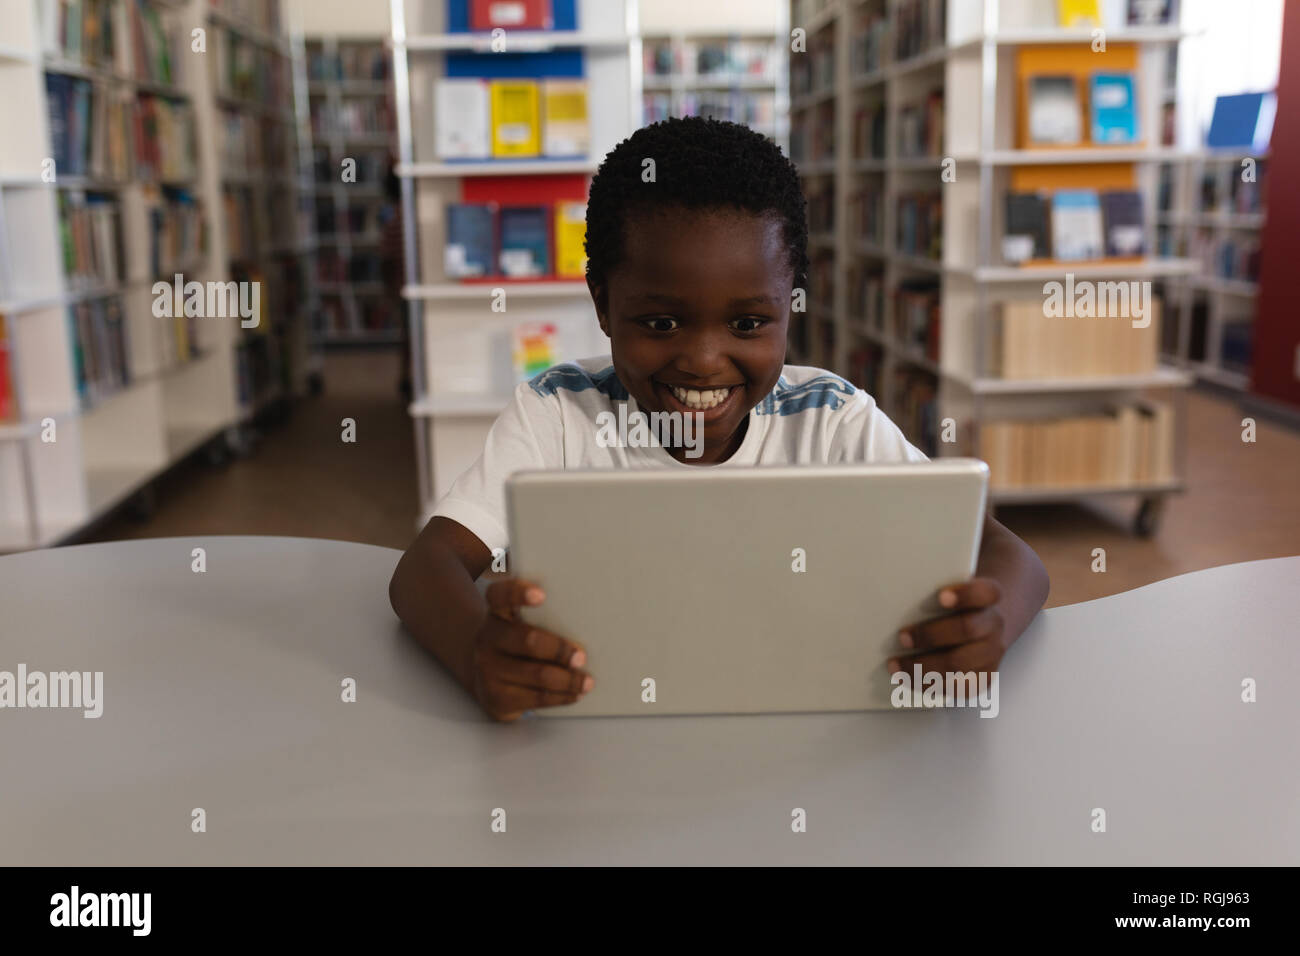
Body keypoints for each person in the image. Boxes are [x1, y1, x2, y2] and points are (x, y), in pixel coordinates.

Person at [389, 117, 1049, 721]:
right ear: (603, 304)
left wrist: (992, 624)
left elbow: (1012, 556)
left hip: (803, 734)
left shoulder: (832, 418)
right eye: (660, 322)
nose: (704, 360)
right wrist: (479, 655)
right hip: (598, 737)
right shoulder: (557, 411)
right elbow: (426, 568)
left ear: (789, 308)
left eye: (748, 323)